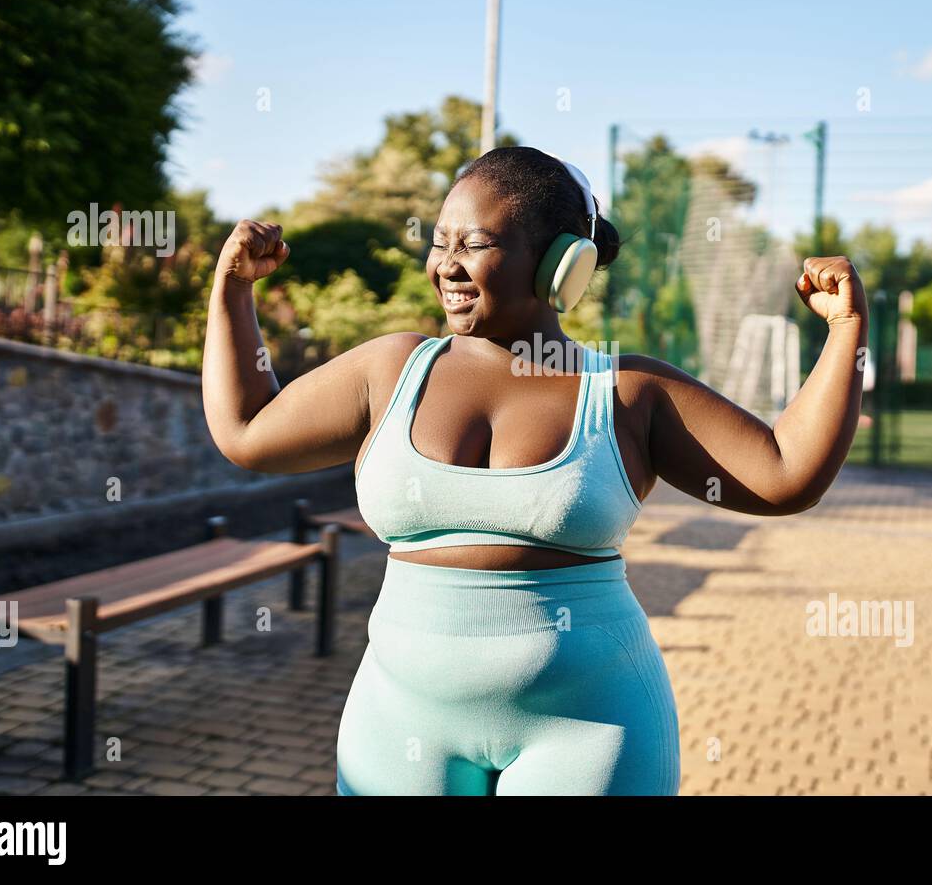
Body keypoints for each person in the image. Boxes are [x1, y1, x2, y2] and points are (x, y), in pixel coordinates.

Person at [201, 145, 868, 795]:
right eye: (440, 242)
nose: (447, 266)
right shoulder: (391, 370)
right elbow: (247, 432)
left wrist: (845, 331)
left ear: (560, 265)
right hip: (399, 721)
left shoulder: (627, 392)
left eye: (476, 245)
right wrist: (232, 289)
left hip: (589, 728)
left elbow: (785, 474)